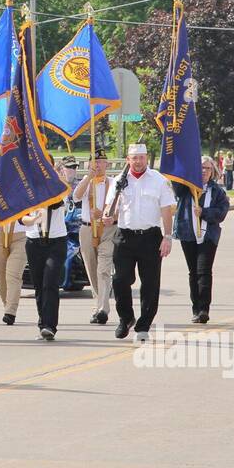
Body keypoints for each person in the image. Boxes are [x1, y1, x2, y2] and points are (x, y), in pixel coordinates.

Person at [103, 143, 176, 340]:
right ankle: (126, 318)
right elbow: (112, 208)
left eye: (141, 158)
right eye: (134, 158)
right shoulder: (119, 181)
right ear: (128, 159)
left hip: (150, 237)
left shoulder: (158, 181)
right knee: (120, 280)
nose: (138, 162)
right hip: (125, 236)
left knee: (150, 283)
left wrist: (167, 237)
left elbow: (166, 210)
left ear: (147, 158)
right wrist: (109, 217)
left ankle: (144, 324)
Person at [173, 156, 230, 324]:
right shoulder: (186, 189)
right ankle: (196, 308)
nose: (204, 171)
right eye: (201, 168)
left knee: (203, 271)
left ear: (212, 171)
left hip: (208, 236)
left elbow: (221, 212)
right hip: (188, 234)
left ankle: (204, 309)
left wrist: (204, 212)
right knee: (193, 272)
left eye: (207, 168)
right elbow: (176, 187)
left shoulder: (217, 191)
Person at [74, 149, 116, 325]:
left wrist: (107, 215)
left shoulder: (113, 183)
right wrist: (88, 177)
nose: (98, 165)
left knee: (104, 269)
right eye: (95, 162)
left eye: (101, 162)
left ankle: (102, 309)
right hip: (87, 229)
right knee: (91, 269)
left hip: (107, 229)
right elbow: (76, 197)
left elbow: (119, 205)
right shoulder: (86, 182)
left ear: (107, 164)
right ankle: (98, 304)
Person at [21, 198, 67, 341]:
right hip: (34, 241)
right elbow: (22, 218)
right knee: (39, 285)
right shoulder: (27, 190)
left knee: (50, 282)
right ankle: (43, 325)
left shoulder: (57, 184)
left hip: (56, 241)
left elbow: (57, 202)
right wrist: (34, 219)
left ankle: (50, 325)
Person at [0, 186, 25, 325]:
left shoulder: (25, 181)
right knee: (1, 276)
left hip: (20, 235)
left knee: (13, 275)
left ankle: (10, 311)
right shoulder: (0, 180)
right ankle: (6, 306)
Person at [58, 157, 82, 290]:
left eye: (74, 167)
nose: (73, 170)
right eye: (69, 167)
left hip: (74, 227)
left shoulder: (80, 185)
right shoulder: (56, 185)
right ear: (62, 169)